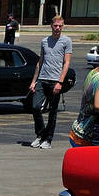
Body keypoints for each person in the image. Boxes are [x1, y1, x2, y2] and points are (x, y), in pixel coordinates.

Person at [28, 14, 72, 149]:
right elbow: (40, 62)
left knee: (52, 111)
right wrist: (34, 81)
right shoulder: (44, 41)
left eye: (60, 26)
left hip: (55, 81)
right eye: (55, 26)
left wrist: (60, 82)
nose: (57, 28)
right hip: (42, 78)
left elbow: (66, 63)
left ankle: (48, 139)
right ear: (51, 26)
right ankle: (40, 134)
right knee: (35, 107)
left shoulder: (66, 41)